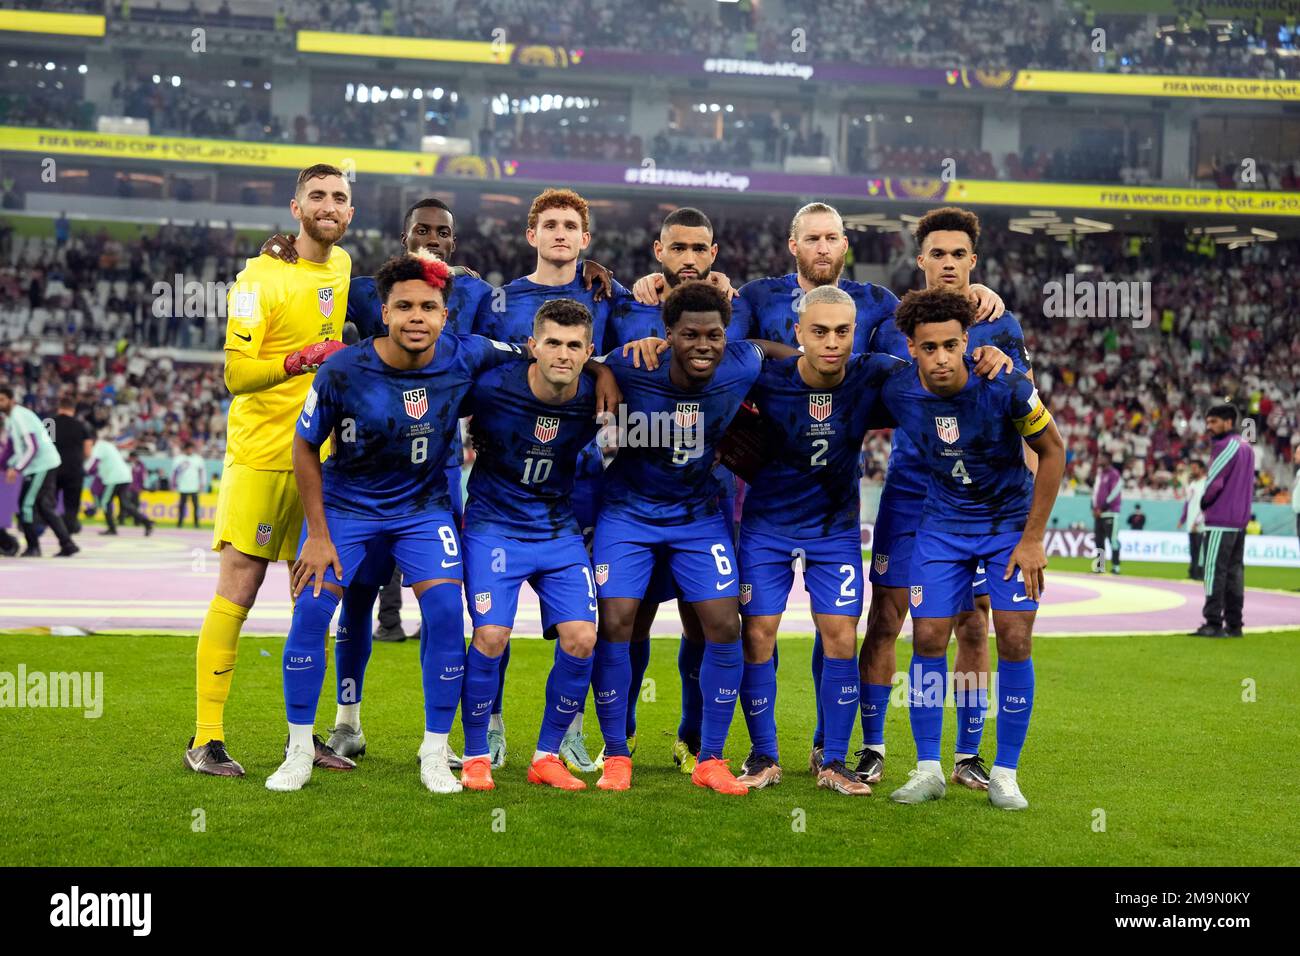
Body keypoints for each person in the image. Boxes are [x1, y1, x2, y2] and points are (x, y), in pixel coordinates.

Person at [263, 255, 615, 793]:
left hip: (423, 509)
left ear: (446, 315)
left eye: (428, 307)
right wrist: (317, 533)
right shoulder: (343, 369)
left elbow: (540, 352)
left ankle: (434, 750)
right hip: (346, 507)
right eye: (404, 306)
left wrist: (601, 368)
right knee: (312, 610)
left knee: (448, 611)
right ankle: (297, 750)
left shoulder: (466, 352)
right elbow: (305, 445)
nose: (416, 317)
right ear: (383, 311)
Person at [589, 280, 799, 794]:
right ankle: (617, 754)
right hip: (629, 511)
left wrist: (812, 354)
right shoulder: (634, 363)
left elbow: (768, 351)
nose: (703, 345)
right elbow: (585, 362)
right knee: (616, 622)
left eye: (713, 335)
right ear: (667, 334)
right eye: (689, 335)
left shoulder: (740, 362)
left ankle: (711, 757)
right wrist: (598, 368)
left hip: (699, 514)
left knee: (724, 626)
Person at [186, 163, 352, 777]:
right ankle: (206, 739)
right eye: (318, 196)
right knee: (239, 588)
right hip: (260, 455)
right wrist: (300, 359)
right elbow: (235, 374)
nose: (329, 205)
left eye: (340, 197)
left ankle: (301, 740)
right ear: (295, 207)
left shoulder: (343, 265)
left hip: (320, 456)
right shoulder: (258, 277)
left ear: (350, 212)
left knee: (312, 597)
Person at [857, 205, 1024, 789]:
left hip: (978, 498)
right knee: (888, 616)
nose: (948, 264)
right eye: (938, 254)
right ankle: (874, 745)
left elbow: (1024, 421)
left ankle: (968, 756)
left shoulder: (1002, 326)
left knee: (973, 624)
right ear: (920, 259)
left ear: (973, 261)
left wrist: (1024, 515)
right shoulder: (889, 321)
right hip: (910, 490)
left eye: (959, 255)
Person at [879, 287, 1064, 811]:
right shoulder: (894, 387)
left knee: (1013, 638)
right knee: (930, 637)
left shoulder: (1005, 385)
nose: (941, 358)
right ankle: (927, 769)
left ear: (967, 342)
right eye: (929, 347)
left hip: (1007, 526)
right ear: (911, 347)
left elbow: (1053, 452)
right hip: (940, 527)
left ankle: (1004, 772)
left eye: (951, 345)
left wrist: (1032, 539)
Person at [457, 298, 607, 792]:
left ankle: (546, 756)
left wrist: (608, 373)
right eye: (552, 343)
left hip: (557, 527)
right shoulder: (491, 388)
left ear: (589, 352)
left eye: (573, 346)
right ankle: (476, 754)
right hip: (494, 525)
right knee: (492, 638)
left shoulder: (597, 395)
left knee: (583, 638)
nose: (562, 354)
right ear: (532, 346)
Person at [1190, 403, 1256, 639]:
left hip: (1221, 519)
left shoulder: (1225, 446)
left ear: (1229, 422)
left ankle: (1213, 622)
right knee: (1234, 573)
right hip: (1239, 521)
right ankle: (1235, 624)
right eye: (1208, 422)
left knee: (1213, 570)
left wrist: (1205, 503)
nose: (1209, 427)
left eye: (1214, 421)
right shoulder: (1247, 447)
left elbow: (1215, 481)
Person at [0, 385, 78, 557]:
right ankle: (68, 544)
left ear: (11, 400)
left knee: (25, 505)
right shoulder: (11, 418)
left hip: (41, 464)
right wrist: (3, 465)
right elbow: (13, 446)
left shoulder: (19, 416)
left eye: (2, 400)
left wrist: (17, 468)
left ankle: (33, 546)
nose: (0, 404)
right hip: (41, 464)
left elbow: (32, 447)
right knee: (44, 506)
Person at [88, 438, 153, 536]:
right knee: (125, 503)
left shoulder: (99, 446)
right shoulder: (108, 446)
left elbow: (93, 465)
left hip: (115, 478)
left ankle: (112, 528)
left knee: (105, 502)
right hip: (125, 477)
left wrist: (85, 472)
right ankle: (146, 522)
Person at [52, 394, 93, 535]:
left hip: (53, 469)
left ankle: (47, 526)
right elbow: (88, 451)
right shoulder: (82, 425)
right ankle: (68, 531)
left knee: (49, 502)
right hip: (74, 470)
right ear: (73, 409)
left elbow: (45, 447)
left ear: (59, 407)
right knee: (71, 504)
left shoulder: (49, 423)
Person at [1092, 454, 1123, 574]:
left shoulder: (1114, 474)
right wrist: (1094, 508)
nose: (1099, 460)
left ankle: (1116, 566)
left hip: (1110, 513)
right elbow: (1095, 492)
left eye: (1102, 458)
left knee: (1113, 540)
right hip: (1099, 514)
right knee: (1099, 541)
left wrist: (1102, 507)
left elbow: (1115, 493)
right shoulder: (1100, 474)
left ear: (1108, 460)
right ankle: (1100, 566)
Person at [1178, 460, 1207, 580]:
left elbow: (1206, 505)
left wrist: (1197, 521)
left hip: (1201, 524)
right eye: (1192, 468)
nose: (1193, 471)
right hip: (1191, 523)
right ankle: (1192, 572)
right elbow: (1187, 502)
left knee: (1200, 550)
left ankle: (1199, 573)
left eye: (1195, 468)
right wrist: (1183, 518)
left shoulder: (1206, 483)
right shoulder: (1192, 484)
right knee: (1193, 550)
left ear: (1202, 470)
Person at [172, 441, 207, 528]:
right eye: (188, 449)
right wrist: (173, 483)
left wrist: (202, 483)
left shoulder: (198, 459)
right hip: (183, 486)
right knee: (181, 506)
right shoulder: (179, 459)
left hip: (194, 486)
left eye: (191, 448)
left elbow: (202, 472)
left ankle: (196, 523)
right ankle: (179, 523)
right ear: (185, 449)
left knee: (195, 506)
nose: (189, 450)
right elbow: (174, 472)